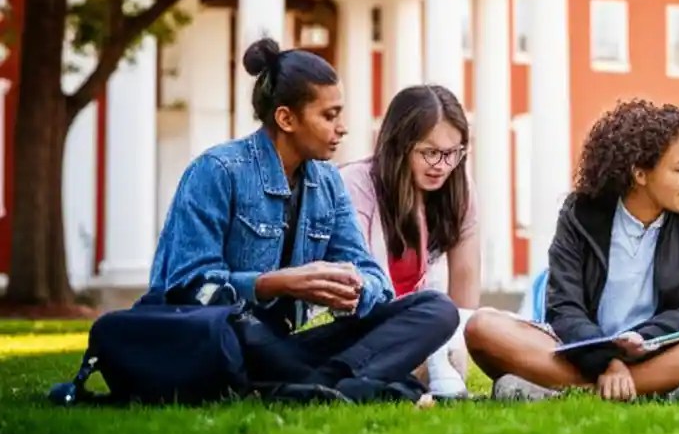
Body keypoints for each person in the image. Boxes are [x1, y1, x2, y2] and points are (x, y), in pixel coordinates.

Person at [148, 38, 460, 403]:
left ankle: (323, 386)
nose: (342, 128)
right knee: (246, 331)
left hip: (283, 347)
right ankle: (349, 386)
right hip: (218, 339)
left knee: (436, 310)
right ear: (286, 118)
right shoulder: (217, 171)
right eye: (329, 116)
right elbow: (189, 288)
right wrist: (277, 284)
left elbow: (375, 279)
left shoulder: (327, 183)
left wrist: (353, 287)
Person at [464, 99, 679, 401]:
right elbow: (563, 306)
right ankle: (641, 390)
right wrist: (607, 359)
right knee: (483, 326)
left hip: (658, 350)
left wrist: (641, 338)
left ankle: (575, 392)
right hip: (581, 352)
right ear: (640, 174)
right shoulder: (580, 213)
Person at [341, 84, 479, 399]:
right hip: (364, 326)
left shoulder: (459, 192)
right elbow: (356, 289)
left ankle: (412, 375)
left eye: (453, 153)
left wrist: (450, 349)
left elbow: (465, 296)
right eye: (430, 152)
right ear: (400, 145)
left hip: (430, 333)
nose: (442, 166)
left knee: (453, 320)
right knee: (431, 318)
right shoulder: (356, 185)